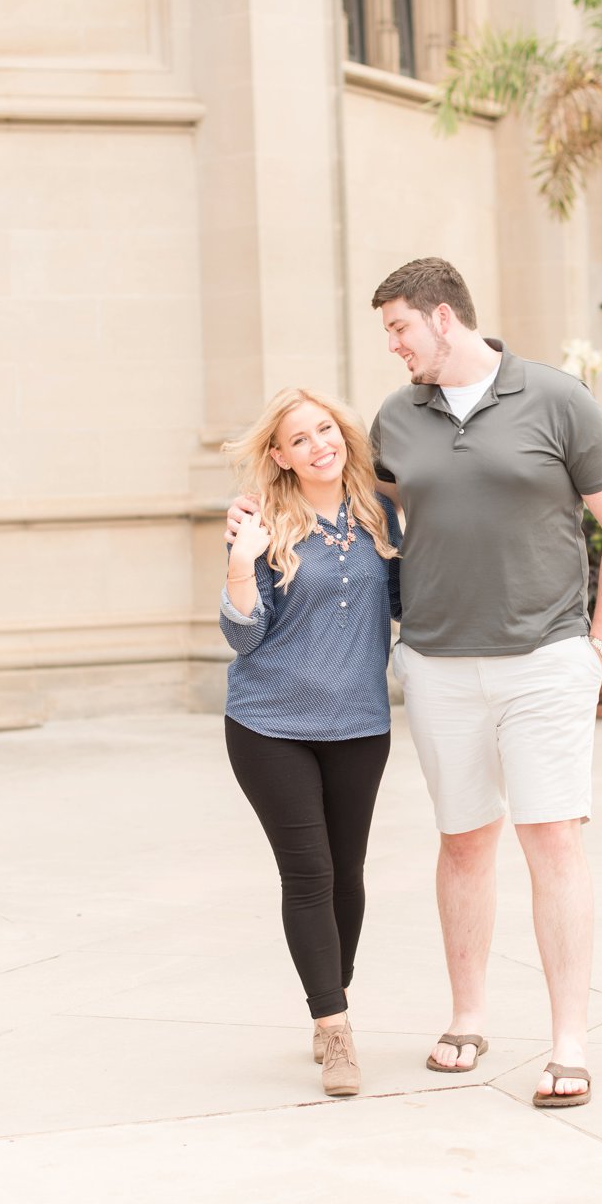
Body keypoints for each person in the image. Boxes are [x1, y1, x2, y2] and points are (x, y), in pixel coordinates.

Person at [229, 257, 602, 1108]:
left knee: (553, 839)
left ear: (442, 317)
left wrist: (599, 649)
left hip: (545, 659)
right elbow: (346, 501)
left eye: (399, 328)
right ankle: (466, 1017)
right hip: (436, 665)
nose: (393, 345)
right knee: (462, 841)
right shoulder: (398, 417)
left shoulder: (556, 398)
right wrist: (254, 520)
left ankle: (569, 1041)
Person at [218, 387, 404, 1098]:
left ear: (343, 434)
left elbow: (403, 603)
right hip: (269, 724)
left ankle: (331, 995)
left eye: (325, 429)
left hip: (359, 723)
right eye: (300, 439)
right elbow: (244, 636)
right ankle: (335, 1029)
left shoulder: (377, 511)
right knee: (309, 875)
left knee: (347, 875)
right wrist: (242, 562)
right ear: (279, 456)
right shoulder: (260, 520)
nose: (318, 444)